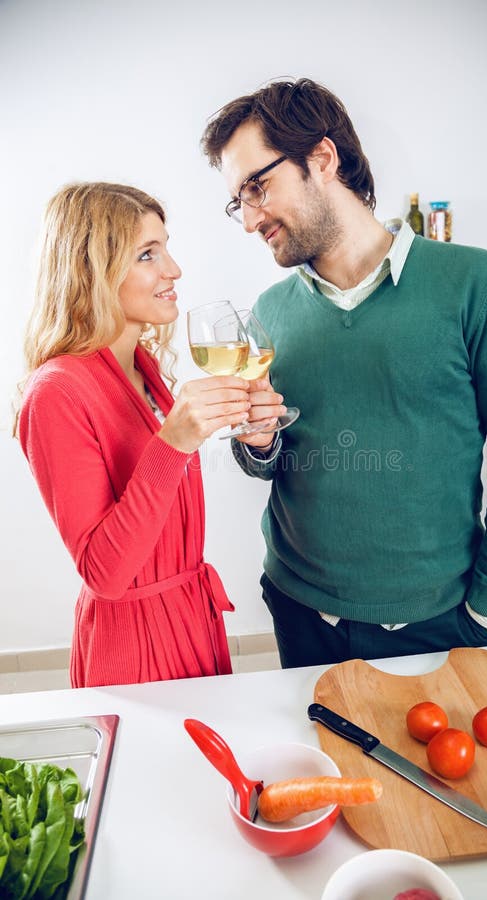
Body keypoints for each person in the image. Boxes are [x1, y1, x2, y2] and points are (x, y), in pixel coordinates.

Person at [201, 77, 487, 670]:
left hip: (437, 621)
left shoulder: (479, 284)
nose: (248, 220)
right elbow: (270, 457)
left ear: (322, 157)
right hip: (299, 609)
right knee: (324, 766)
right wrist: (258, 443)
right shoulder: (269, 313)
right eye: (239, 201)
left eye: (258, 187)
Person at [17, 182, 253, 687]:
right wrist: (172, 445)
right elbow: (105, 574)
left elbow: (163, 504)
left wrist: (249, 430)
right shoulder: (57, 392)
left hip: (192, 622)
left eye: (166, 247)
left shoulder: (142, 368)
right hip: (134, 649)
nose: (174, 270)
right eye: (148, 254)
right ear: (92, 271)